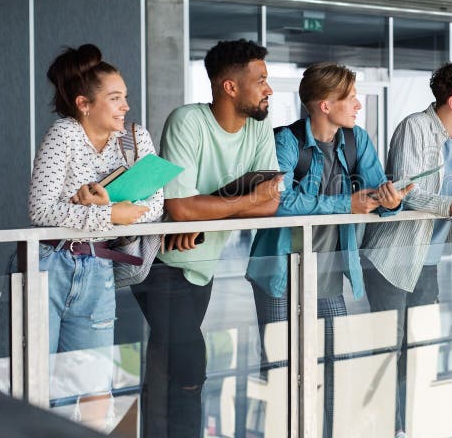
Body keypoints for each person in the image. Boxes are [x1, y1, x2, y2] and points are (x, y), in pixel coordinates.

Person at [130, 39, 283, 437]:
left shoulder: (259, 128)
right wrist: (243, 199)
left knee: (165, 368)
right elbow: (179, 209)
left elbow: (271, 205)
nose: (269, 88)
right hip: (162, 264)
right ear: (229, 87)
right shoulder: (188, 121)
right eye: (261, 79)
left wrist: (207, 212)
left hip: (201, 266)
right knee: (189, 369)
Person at [249, 62, 410, 438]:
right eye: (350, 98)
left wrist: (391, 200)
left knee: (333, 368)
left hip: (327, 277)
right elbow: (278, 202)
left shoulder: (356, 140)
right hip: (280, 276)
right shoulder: (286, 141)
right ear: (324, 104)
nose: (357, 105)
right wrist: (344, 205)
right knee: (283, 371)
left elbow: (375, 190)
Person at [360, 60, 452, 438]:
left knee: (419, 347)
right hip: (393, 260)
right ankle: (384, 425)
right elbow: (408, 193)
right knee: (388, 349)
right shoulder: (414, 127)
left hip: (428, 260)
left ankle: (410, 422)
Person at [28, 43, 164, 431]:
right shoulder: (65, 133)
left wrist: (107, 212)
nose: (125, 107)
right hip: (47, 266)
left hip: (98, 267)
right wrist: (109, 213)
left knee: (93, 385)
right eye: (115, 98)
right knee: (36, 381)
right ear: (85, 103)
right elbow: (40, 211)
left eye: (126, 98)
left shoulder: (135, 138)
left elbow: (155, 205)